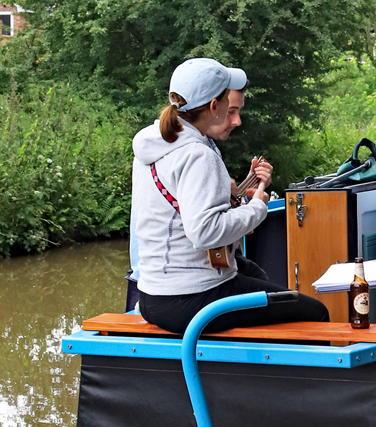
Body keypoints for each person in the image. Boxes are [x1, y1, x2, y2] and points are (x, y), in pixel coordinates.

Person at [133, 57, 329, 333]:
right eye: (229, 107)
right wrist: (258, 207)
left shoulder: (157, 143)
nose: (235, 119)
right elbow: (204, 232)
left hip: (154, 294)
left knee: (256, 277)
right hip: (191, 297)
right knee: (314, 313)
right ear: (214, 106)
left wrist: (238, 199)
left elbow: (179, 210)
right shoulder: (198, 154)